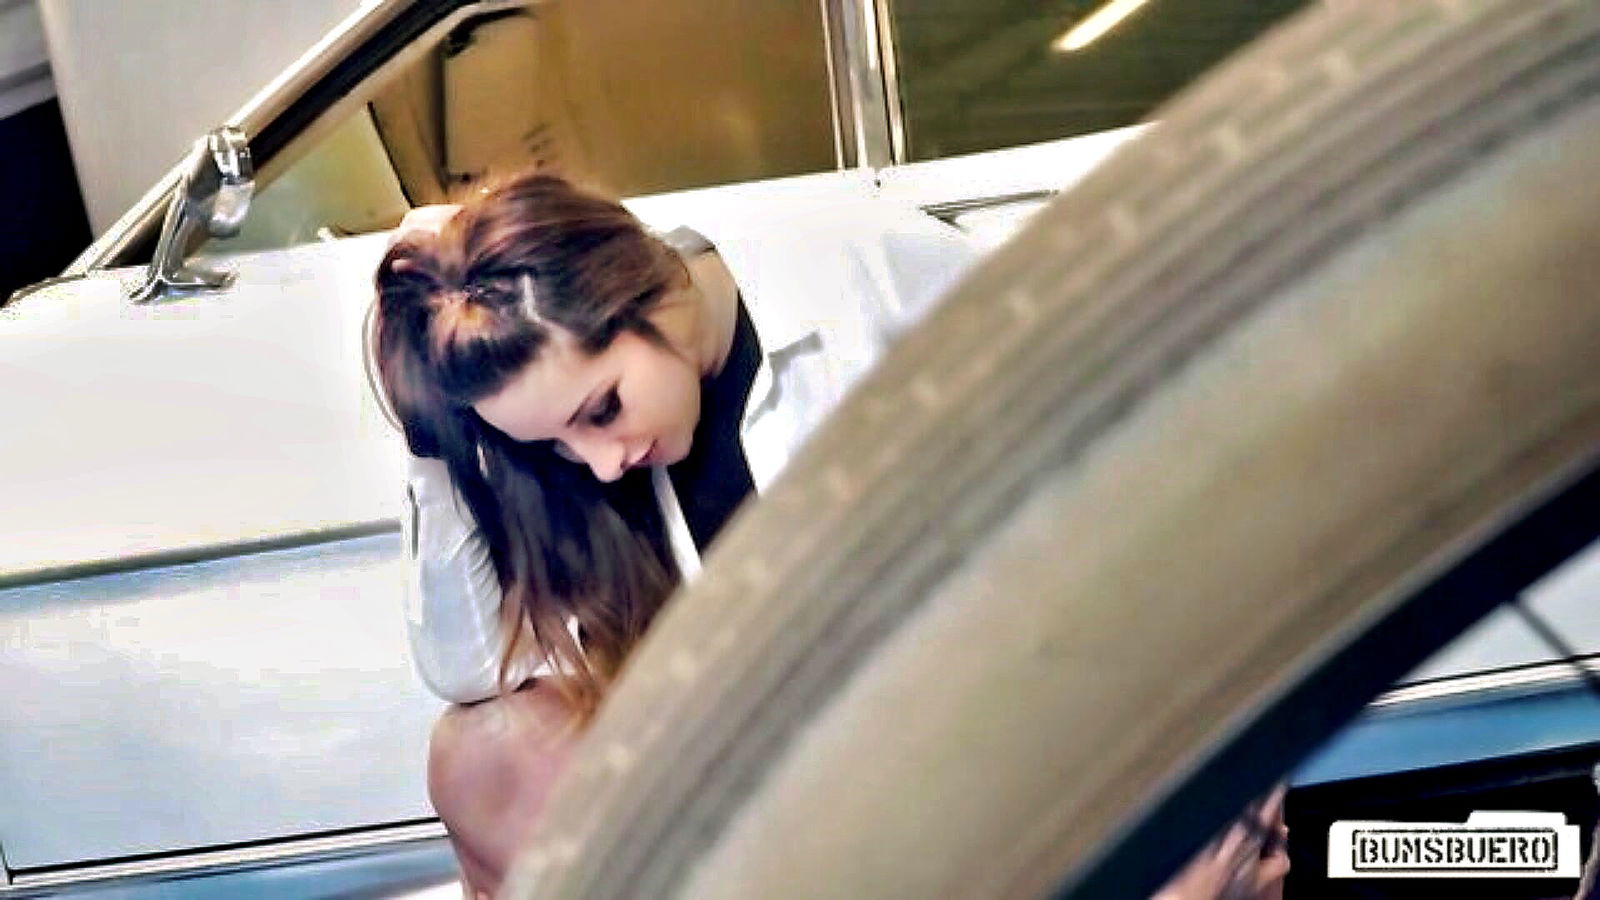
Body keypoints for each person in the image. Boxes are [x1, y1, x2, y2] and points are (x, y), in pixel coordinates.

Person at [370, 171, 1291, 899]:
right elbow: (466, 672)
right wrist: (436, 454)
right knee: (482, 751)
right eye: (561, 444)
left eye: (602, 408)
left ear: (639, 291)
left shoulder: (864, 272)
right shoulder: (589, 464)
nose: (602, 461)